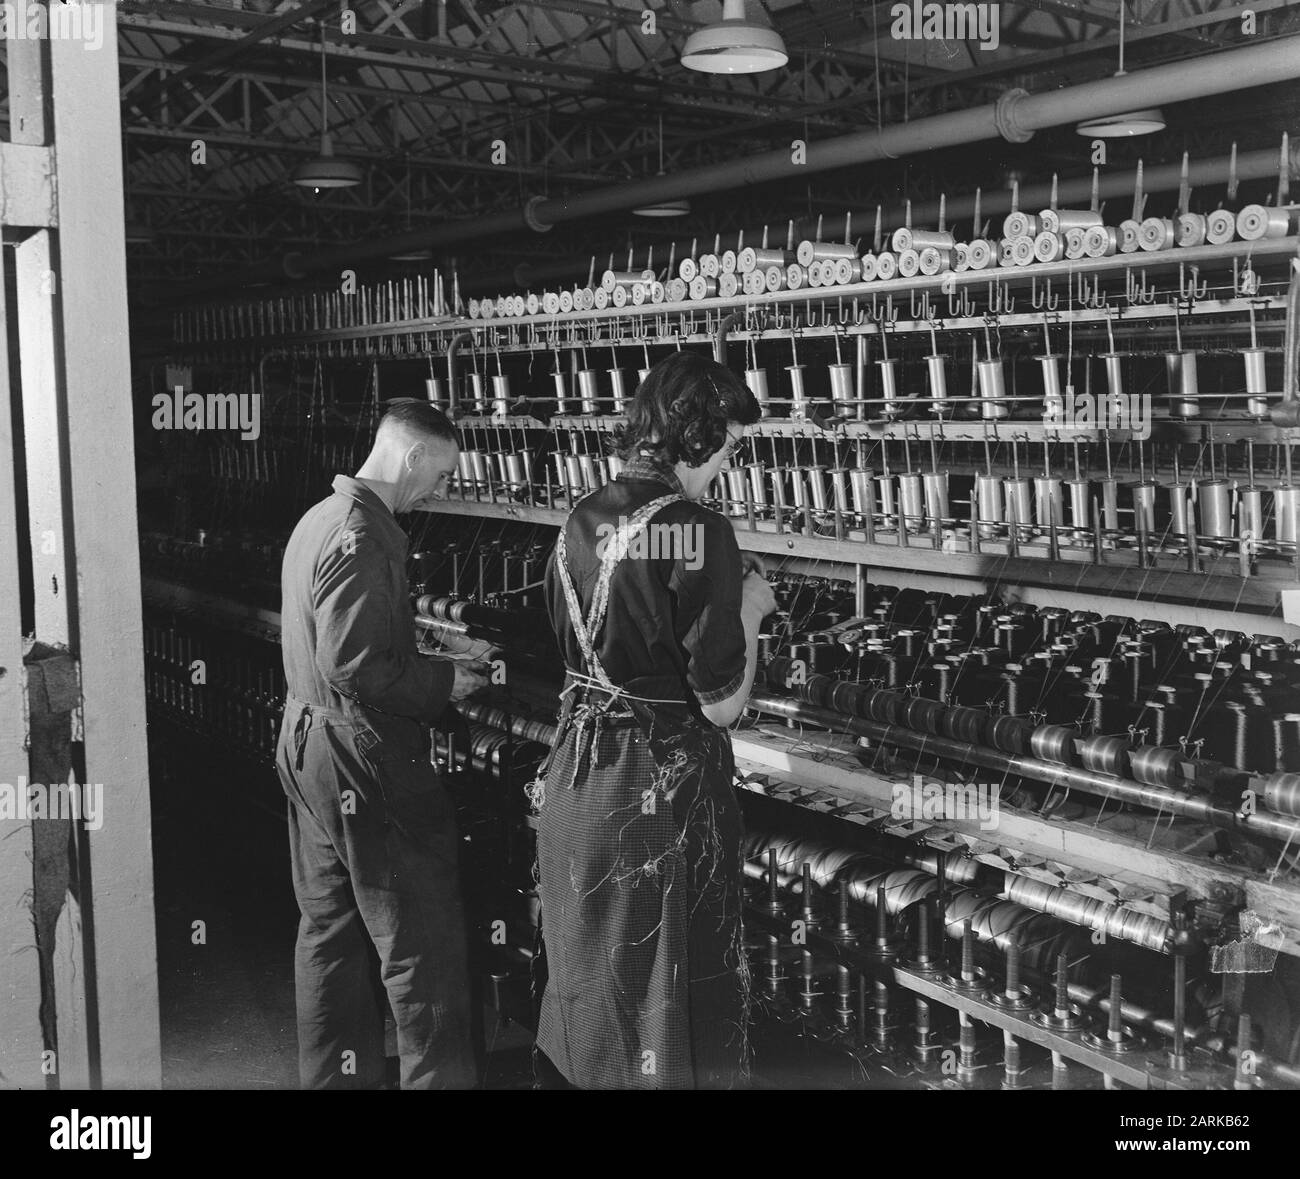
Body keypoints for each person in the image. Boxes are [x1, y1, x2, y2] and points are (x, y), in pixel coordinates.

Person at [531, 351, 775, 1089]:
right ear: (697, 435)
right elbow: (724, 703)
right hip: (659, 798)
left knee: (598, 995)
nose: (729, 462)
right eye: (730, 442)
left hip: (580, 782)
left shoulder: (582, 517)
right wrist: (753, 611)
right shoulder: (698, 530)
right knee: (669, 1009)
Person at [275, 398, 490, 1090]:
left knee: (330, 938)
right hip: (361, 758)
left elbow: (338, 645)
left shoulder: (318, 518)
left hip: (308, 743)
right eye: (443, 473)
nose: (441, 489)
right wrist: (448, 678)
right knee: (422, 950)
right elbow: (357, 665)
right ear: (412, 456)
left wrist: (414, 645)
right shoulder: (362, 535)